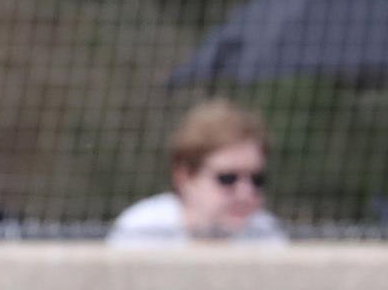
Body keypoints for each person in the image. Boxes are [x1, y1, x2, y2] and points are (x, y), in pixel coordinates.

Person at [108, 98, 285, 246]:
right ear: (184, 177)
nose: (246, 193)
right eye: (227, 178)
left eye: (257, 179)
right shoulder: (143, 232)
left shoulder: (266, 235)